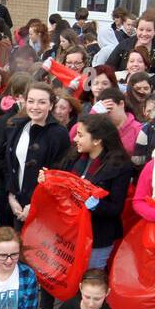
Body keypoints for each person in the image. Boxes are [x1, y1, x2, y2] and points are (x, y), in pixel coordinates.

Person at [56, 114, 131, 268]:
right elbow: (61, 183)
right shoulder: (75, 157)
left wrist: (95, 204)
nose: (75, 139)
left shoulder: (120, 166)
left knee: (90, 280)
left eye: (80, 135)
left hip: (97, 237)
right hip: (70, 233)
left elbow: (115, 208)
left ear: (97, 140)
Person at [5, 81, 70, 226]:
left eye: (41, 102)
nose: (35, 107)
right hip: (18, 204)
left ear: (51, 105)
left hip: (44, 208)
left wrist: (35, 204)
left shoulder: (59, 133)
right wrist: (11, 195)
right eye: (31, 101)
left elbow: (59, 173)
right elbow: (11, 165)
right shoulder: (19, 126)